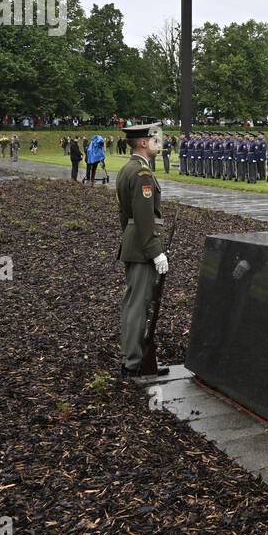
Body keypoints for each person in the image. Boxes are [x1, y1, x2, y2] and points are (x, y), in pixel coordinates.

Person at [115, 124, 169, 377]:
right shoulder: (142, 174)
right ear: (144, 143)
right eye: (155, 139)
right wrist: (155, 251)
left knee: (133, 303)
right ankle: (134, 363)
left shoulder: (128, 169)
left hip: (134, 244)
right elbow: (144, 217)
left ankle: (132, 358)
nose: (159, 142)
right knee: (138, 305)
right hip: (142, 248)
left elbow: (125, 216)